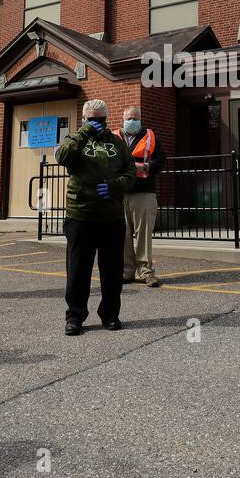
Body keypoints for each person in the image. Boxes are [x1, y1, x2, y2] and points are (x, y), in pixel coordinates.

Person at [55, 99, 136, 335]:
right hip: (81, 214)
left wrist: (115, 185)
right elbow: (62, 156)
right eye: (92, 120)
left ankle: (110, 314)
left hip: (111, 216)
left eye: (101, 120)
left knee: (112, 270)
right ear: (84, 119)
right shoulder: (75, 139)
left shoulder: (116, 143)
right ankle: (75, 316)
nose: (97, 124)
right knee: (78, 269)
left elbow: (130, 171)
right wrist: (85, 132)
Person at [118, 105, 165, 287]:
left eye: (136, 118)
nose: (132, 121)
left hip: (144, 191)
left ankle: (146, 271)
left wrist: (145, 167)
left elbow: (160, 160)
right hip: (120, 192)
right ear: (123, 119)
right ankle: (126, 272)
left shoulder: (150, 136)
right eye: (129, 118)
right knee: (123, 234)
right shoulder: (114, 138)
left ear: (141, 119)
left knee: (144, 234)